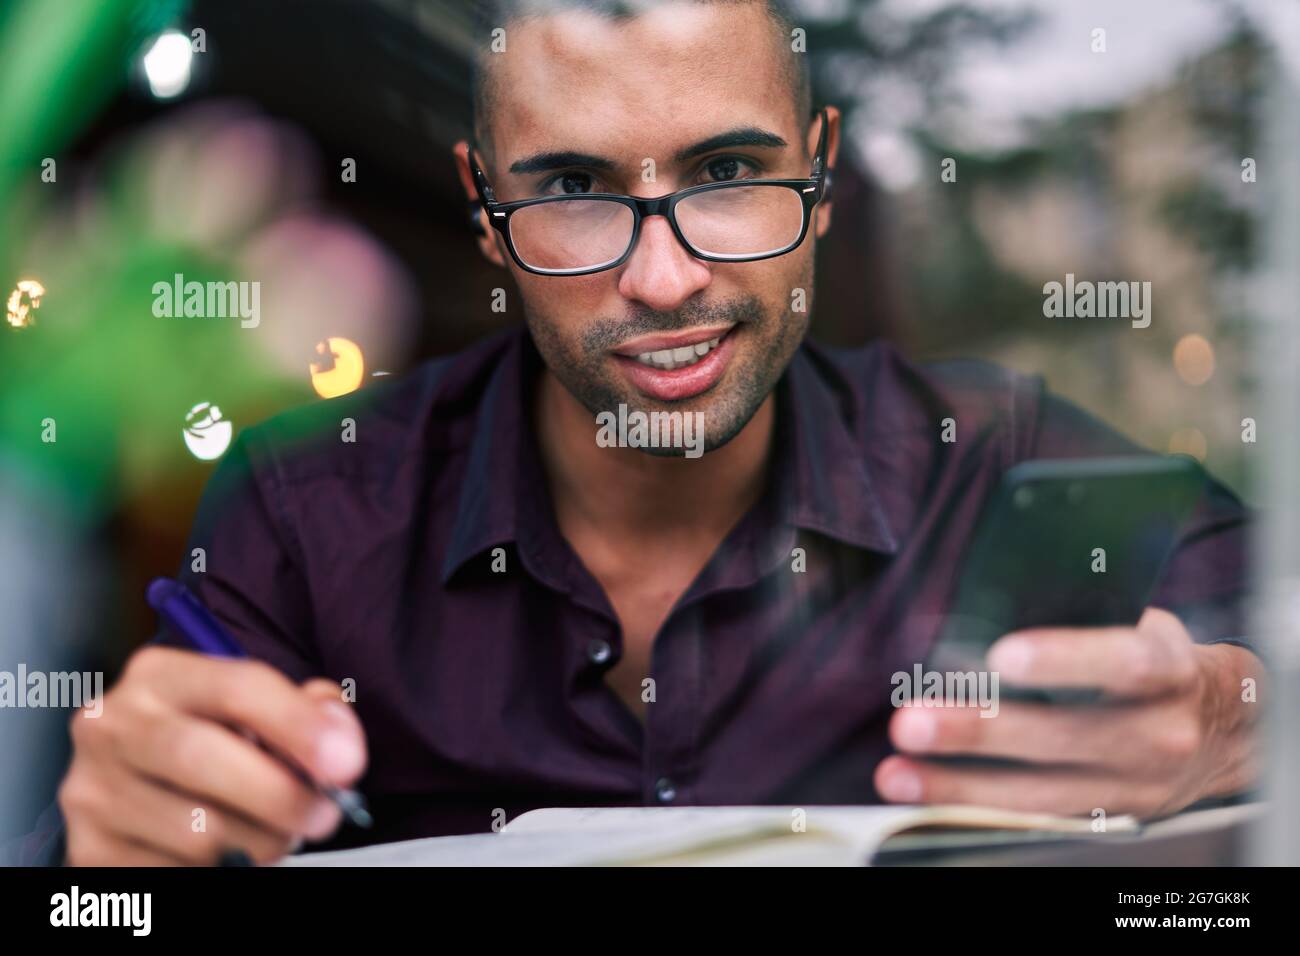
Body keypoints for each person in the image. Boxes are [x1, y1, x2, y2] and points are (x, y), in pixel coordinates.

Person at [40, 0, 1259, 865]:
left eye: (728, 170)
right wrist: (108, 866)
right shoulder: (304, 508)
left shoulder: (997, 457)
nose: (667, 279)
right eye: (573, 191)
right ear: (483, 209)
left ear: (821, 176)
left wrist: (1232, 716)